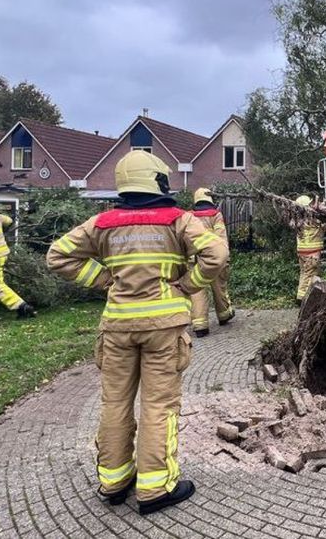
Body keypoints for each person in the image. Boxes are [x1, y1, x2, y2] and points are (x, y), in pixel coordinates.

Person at [46, 151, 228, 515]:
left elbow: (57, 256)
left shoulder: (101, 223)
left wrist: (104, 280)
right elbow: (216, 254)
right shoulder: (178, 220)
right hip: (163, 329)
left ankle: (114, 480)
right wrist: (187, 285)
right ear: (159, 181)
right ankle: (155, 488)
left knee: (114, 404)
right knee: (159, 406)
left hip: (116, 327)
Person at [188, 187, 233, 337]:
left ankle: (200, 325)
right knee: (219, 287)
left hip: (194, 259)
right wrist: (224, 257)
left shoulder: (189, 216)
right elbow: (221, 237)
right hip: (214, 258)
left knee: (197, 291)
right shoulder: (215, 215)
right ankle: (224, 315)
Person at [294, 194, 325, 303]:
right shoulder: (314, 221)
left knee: (304, 274)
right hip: (312, 253)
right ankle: (304, 299)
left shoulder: (299, 221)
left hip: (301, 252)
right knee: (310, 276)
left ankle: (300, 296)